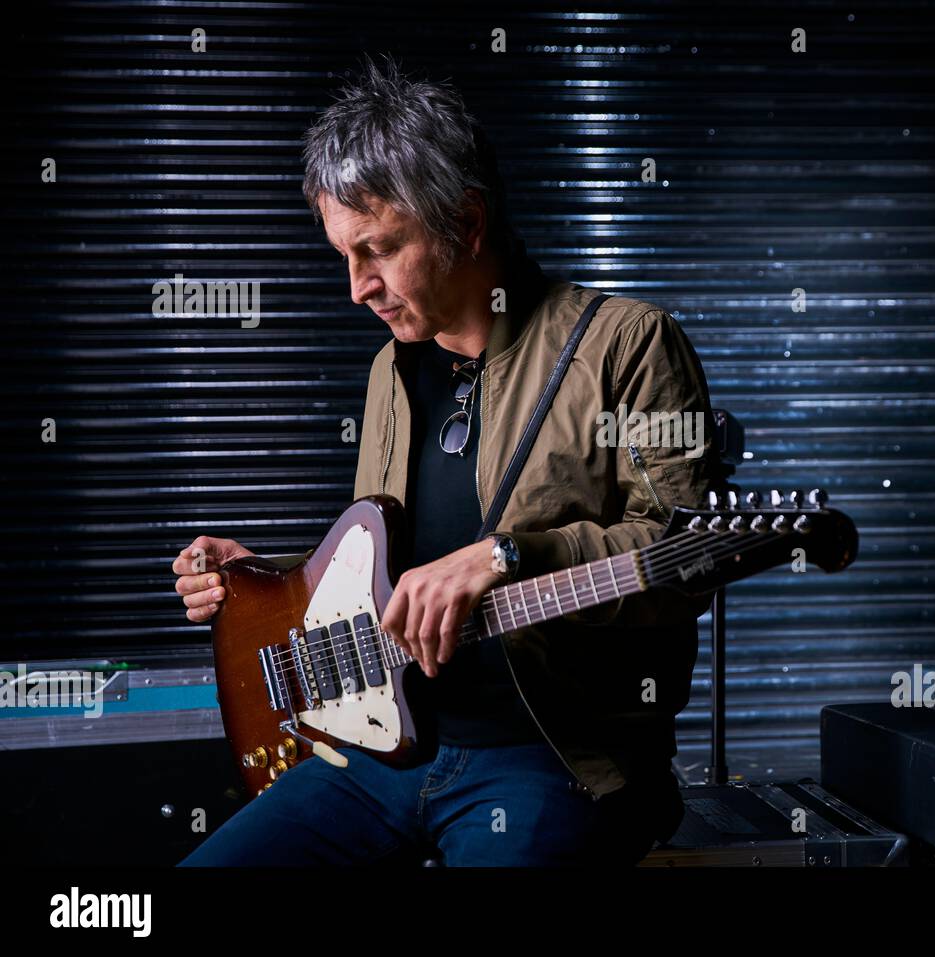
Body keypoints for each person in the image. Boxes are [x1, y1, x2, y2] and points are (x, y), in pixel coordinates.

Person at [170, 55, 717, 866]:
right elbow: (398, 574)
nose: (358, 286)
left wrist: (507, 558)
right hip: (381, 757)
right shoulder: (392, 369)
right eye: (343, 255)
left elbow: (686, 555)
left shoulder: (629, 343)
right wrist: (273, 582)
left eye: (380, 249)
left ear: (466, 223)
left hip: (552, 764)